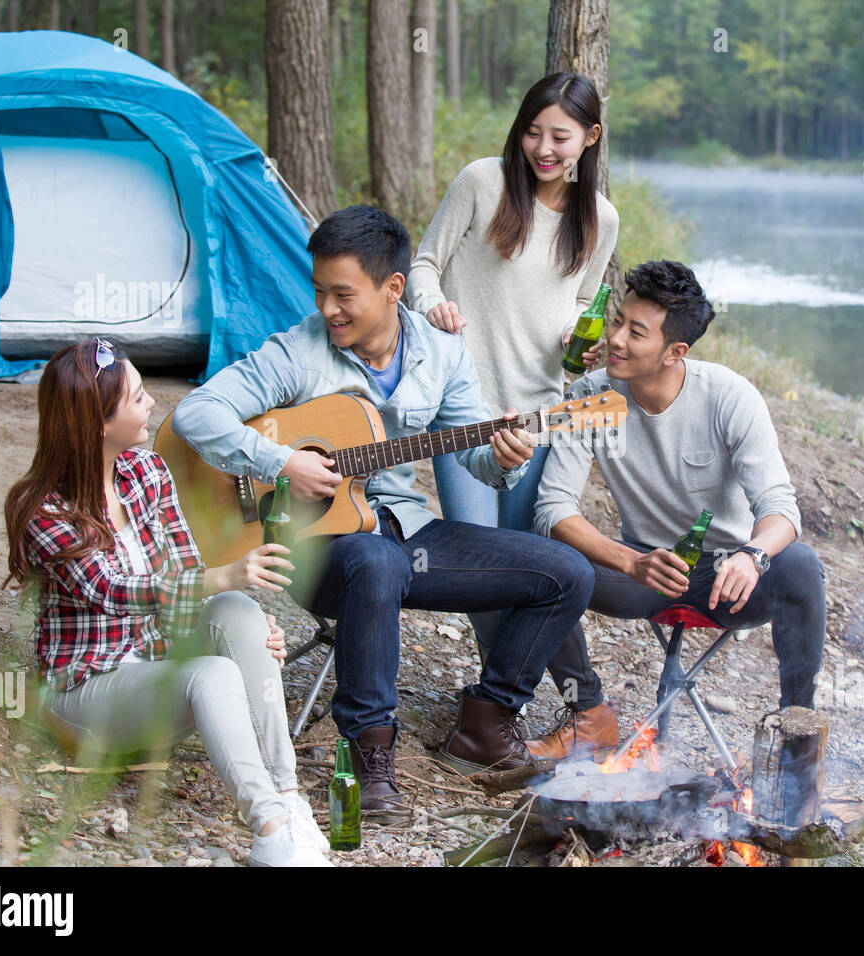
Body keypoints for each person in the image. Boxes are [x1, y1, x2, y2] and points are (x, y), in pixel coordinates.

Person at [171, 205, 595, 810]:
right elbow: (195, 415)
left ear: (394, 288)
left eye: (342, 294)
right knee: (374, 560)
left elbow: (474, 458)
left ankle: (486, 723)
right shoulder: (297, 352)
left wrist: (504, 456)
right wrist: (282, 462)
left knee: (566, 572)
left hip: (405, 529)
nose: (326, 309)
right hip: (316, 548)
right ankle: (368, 755)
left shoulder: (445, 354)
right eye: (318, 291)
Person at [4, 340, 330, 867]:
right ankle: (270, 831)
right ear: (96, 425)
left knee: (241, 615)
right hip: (86, 690)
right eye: (136, 397)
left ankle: (289, 802)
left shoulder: (147, 470)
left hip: (154, 661)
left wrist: (250, 630)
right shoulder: (42, 508)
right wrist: (224, 575)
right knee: (212, 673)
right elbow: (112, 591)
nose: (152, 403)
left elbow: (184, 576)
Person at [528, 260, 828, 759]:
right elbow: (553, 508)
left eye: (635, 332)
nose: (615, 339)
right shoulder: (594, 394)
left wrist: (752, 555)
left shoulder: (727, 396)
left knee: (800, 564)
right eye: (617, 320)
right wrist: (630, 561)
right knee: (540, 562)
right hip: (642, 569)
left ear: (675, 352)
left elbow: (780, 508)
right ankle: (589, 714)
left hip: (728, 576)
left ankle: (797, 736)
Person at [406, 72, 619, 689]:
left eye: (560, 136)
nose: (544, 149)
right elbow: (424, 265)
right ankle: (500, 705)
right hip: (465, 410)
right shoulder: (482, 181)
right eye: (532, 132)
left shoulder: (600, 218)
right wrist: (432, 307)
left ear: (590, 137)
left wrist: (582, 341)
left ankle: (503, 704)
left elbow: (581, 304)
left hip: (540, 415)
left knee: (531, 564)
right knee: (478, 565)